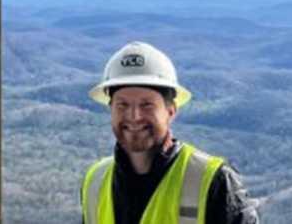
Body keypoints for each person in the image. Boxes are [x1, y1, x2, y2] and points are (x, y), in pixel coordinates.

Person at [81, 42, 258, 224]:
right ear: (111, 110)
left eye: (146, 105)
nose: (134, 116)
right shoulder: (95, 182)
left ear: (171, 111)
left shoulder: (214, 182)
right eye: (122, 105)